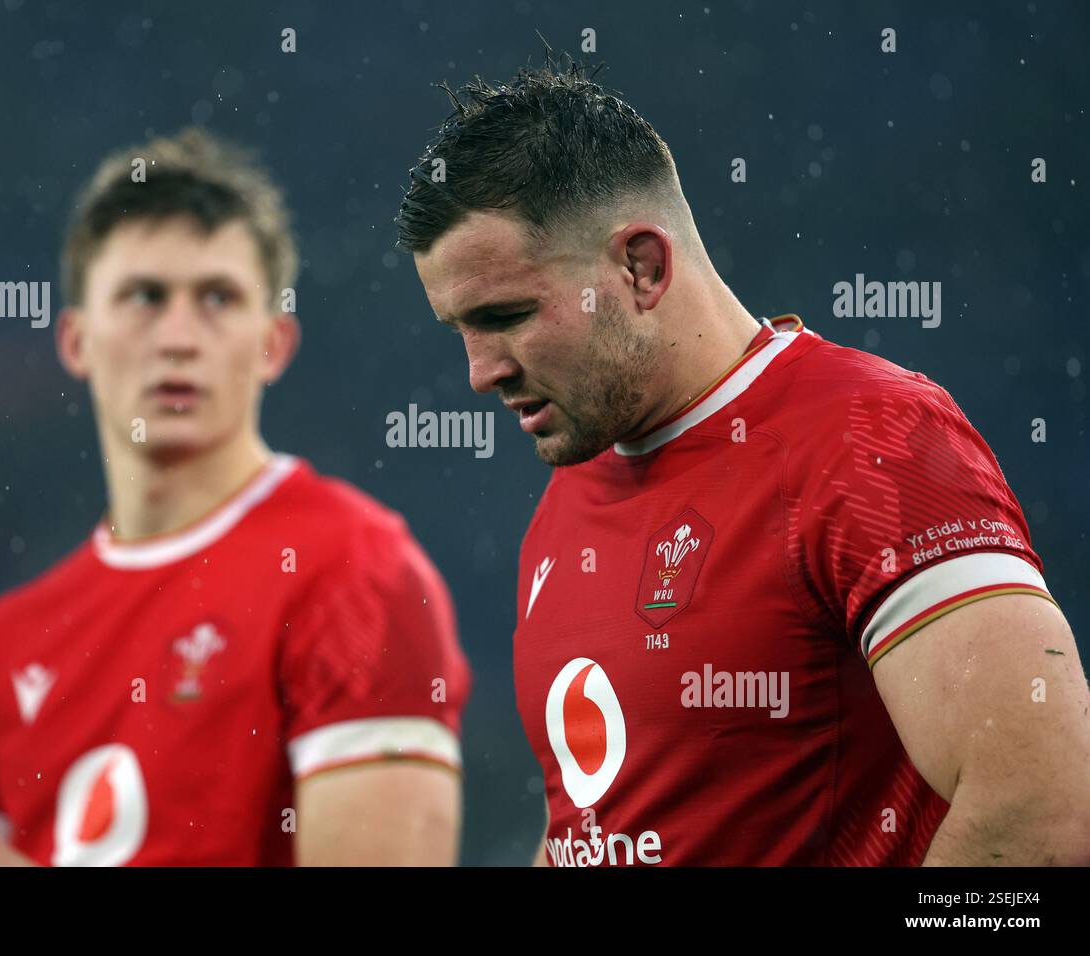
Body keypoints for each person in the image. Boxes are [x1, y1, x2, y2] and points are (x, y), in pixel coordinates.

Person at [396, 56, 1090, 866]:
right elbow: (598, 835)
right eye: (461, 332)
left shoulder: (870, 438)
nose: (480, 373)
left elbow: (1046, 809)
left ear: (642, 267)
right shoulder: (568, 500)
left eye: (507, 315)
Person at [0, 128, 470, 866]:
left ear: (272, 344)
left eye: (217, 298)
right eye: (145, 296)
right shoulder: (4, 644)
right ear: (76, 342)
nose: (179, 335)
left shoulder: (357, 570)